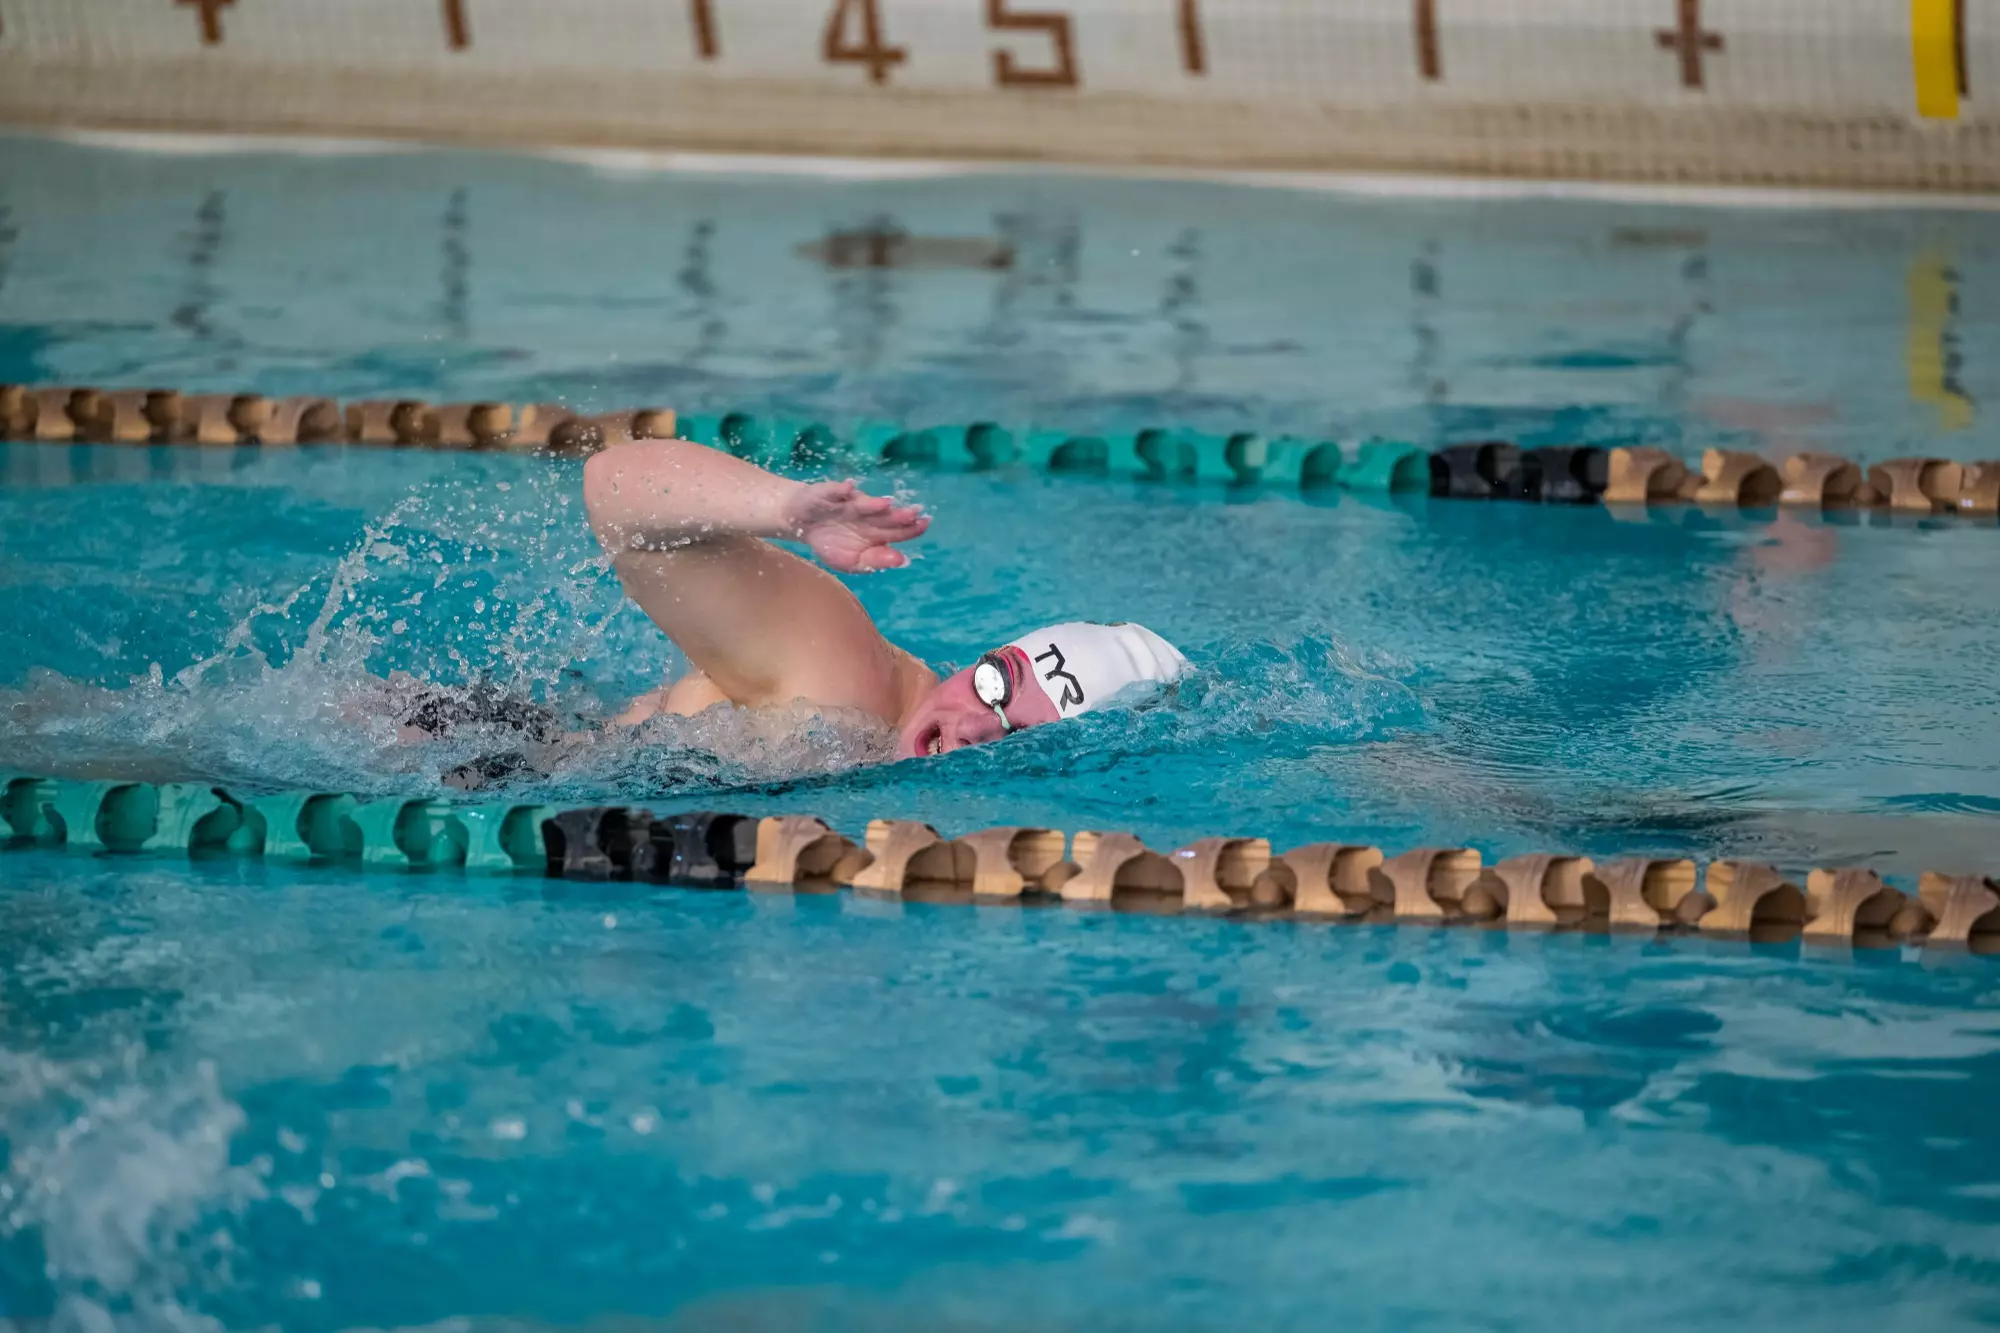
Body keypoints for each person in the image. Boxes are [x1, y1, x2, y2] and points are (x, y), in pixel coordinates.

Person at [574, 434, 1191, 761]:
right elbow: (612, 485)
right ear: (987, 654)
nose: (972, 728)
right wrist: (779, 508)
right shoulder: (844, 685)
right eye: (995, 685)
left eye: (1022, 737)